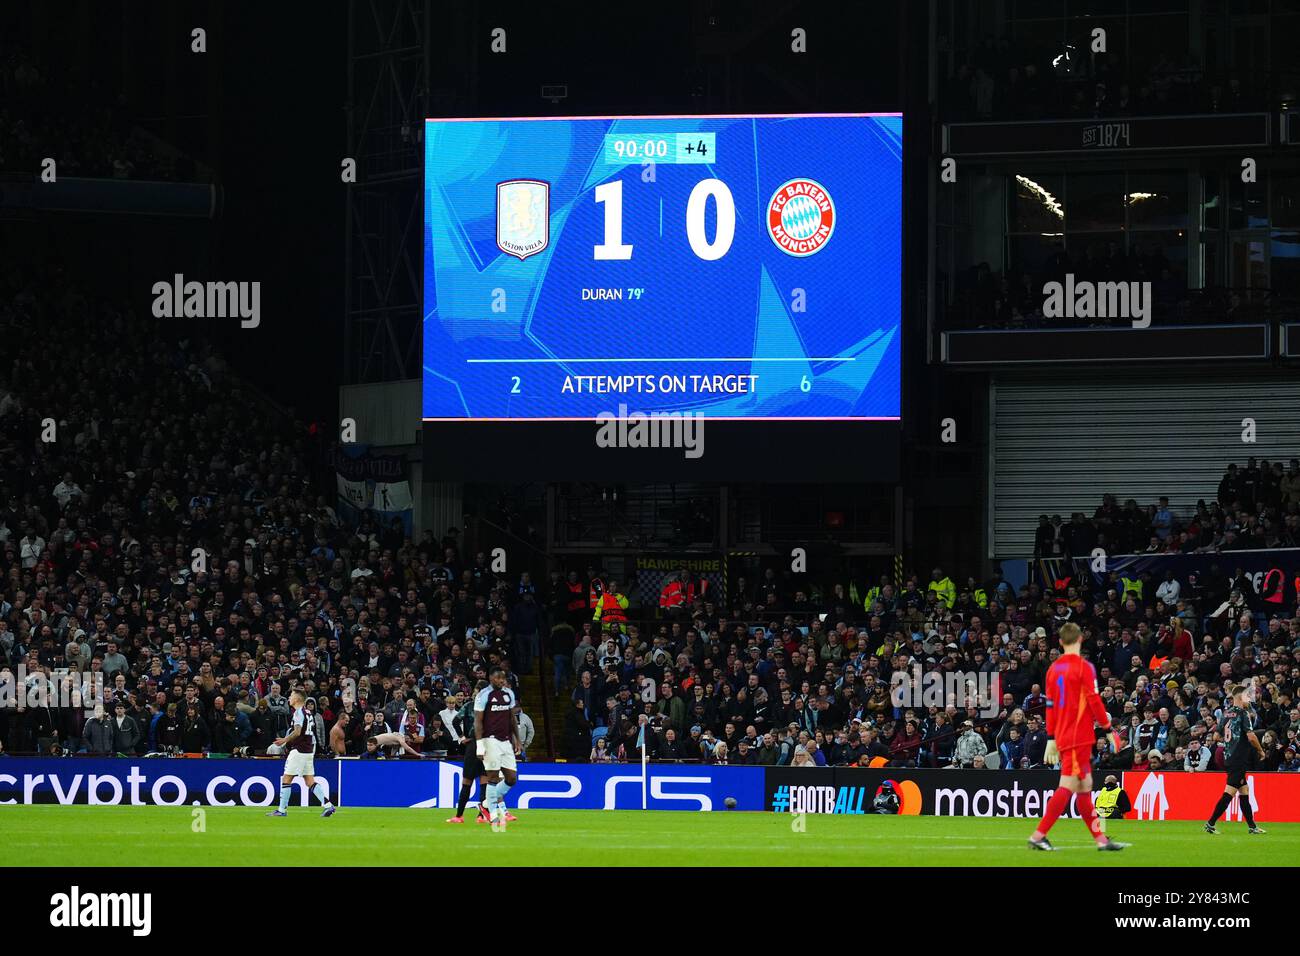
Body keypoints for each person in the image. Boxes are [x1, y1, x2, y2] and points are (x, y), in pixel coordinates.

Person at [1028, 623, 1128, 852]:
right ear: (1081, 639)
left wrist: (1051, 738)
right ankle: (1038, 835)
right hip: (1078, 735)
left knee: (1085, 787)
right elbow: (1094, 700)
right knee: (1068, 785)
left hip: (1063, 734)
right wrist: (1108, 728)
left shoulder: (1053, 670)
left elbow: (1050, 707)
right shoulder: (1085, 668)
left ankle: (1101, 841)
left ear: (1061, 643)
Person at [1205, 684, 1267, 835]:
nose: (1249, 700)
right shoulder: (1243, 713)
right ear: (1240, 697)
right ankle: (1210, 823)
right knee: (1229, 792)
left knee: (1244, 791)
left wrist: (1230, 741)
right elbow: (1251, 736)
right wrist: (1260, 750)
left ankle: (1252, 827)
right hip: (1238, 758)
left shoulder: (1226, 714)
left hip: (1228, 756)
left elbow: (1216, 736)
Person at [267, 690, 336, 818]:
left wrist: (284, 740)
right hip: (308, 750)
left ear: (297, 699)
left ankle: (282, 810)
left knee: (286, 779)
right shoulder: (308, 712)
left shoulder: (298, 712)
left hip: (299, 750)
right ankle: (328, 806)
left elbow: (298, 732)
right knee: (309, 781)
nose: (289, 697)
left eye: (291, 695)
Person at [475, 665, 521, 827]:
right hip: (490, 741)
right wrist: (480, 746)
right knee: (493, 777)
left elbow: (512, 718)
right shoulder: (483, 695)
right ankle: (493, 814)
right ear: (491, 679)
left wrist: (517, 739)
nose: (501, 681)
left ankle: (486, 804)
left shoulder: (509, 694)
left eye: (503, 678)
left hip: (506, 741)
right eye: (498, 678)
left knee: (511, 778)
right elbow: (478, 722)